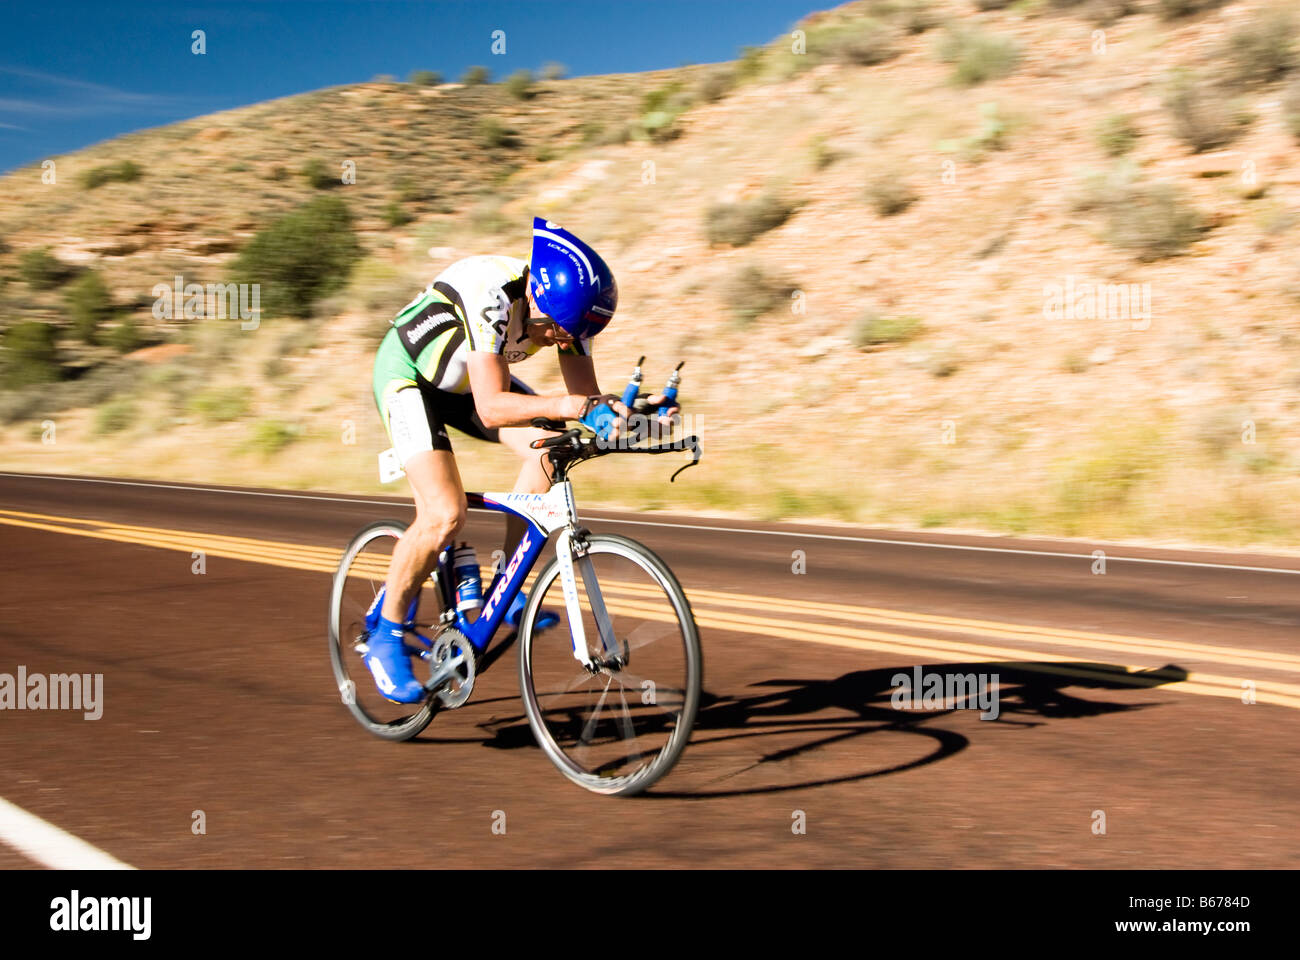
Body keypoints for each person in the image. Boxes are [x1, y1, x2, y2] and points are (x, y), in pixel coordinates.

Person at [364, 217, 676, 702]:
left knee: (550, 452)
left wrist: (637, 417)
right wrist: (576, 408)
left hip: (468, 383)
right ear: (534, 293)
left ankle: (502, 593)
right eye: (551, 329)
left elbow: (586, 402)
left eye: (567, 335)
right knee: (444, 514)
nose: (556, 340)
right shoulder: (487, 292)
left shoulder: (569, 316)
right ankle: (385, 635)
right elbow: (492, 409)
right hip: (411, 378)